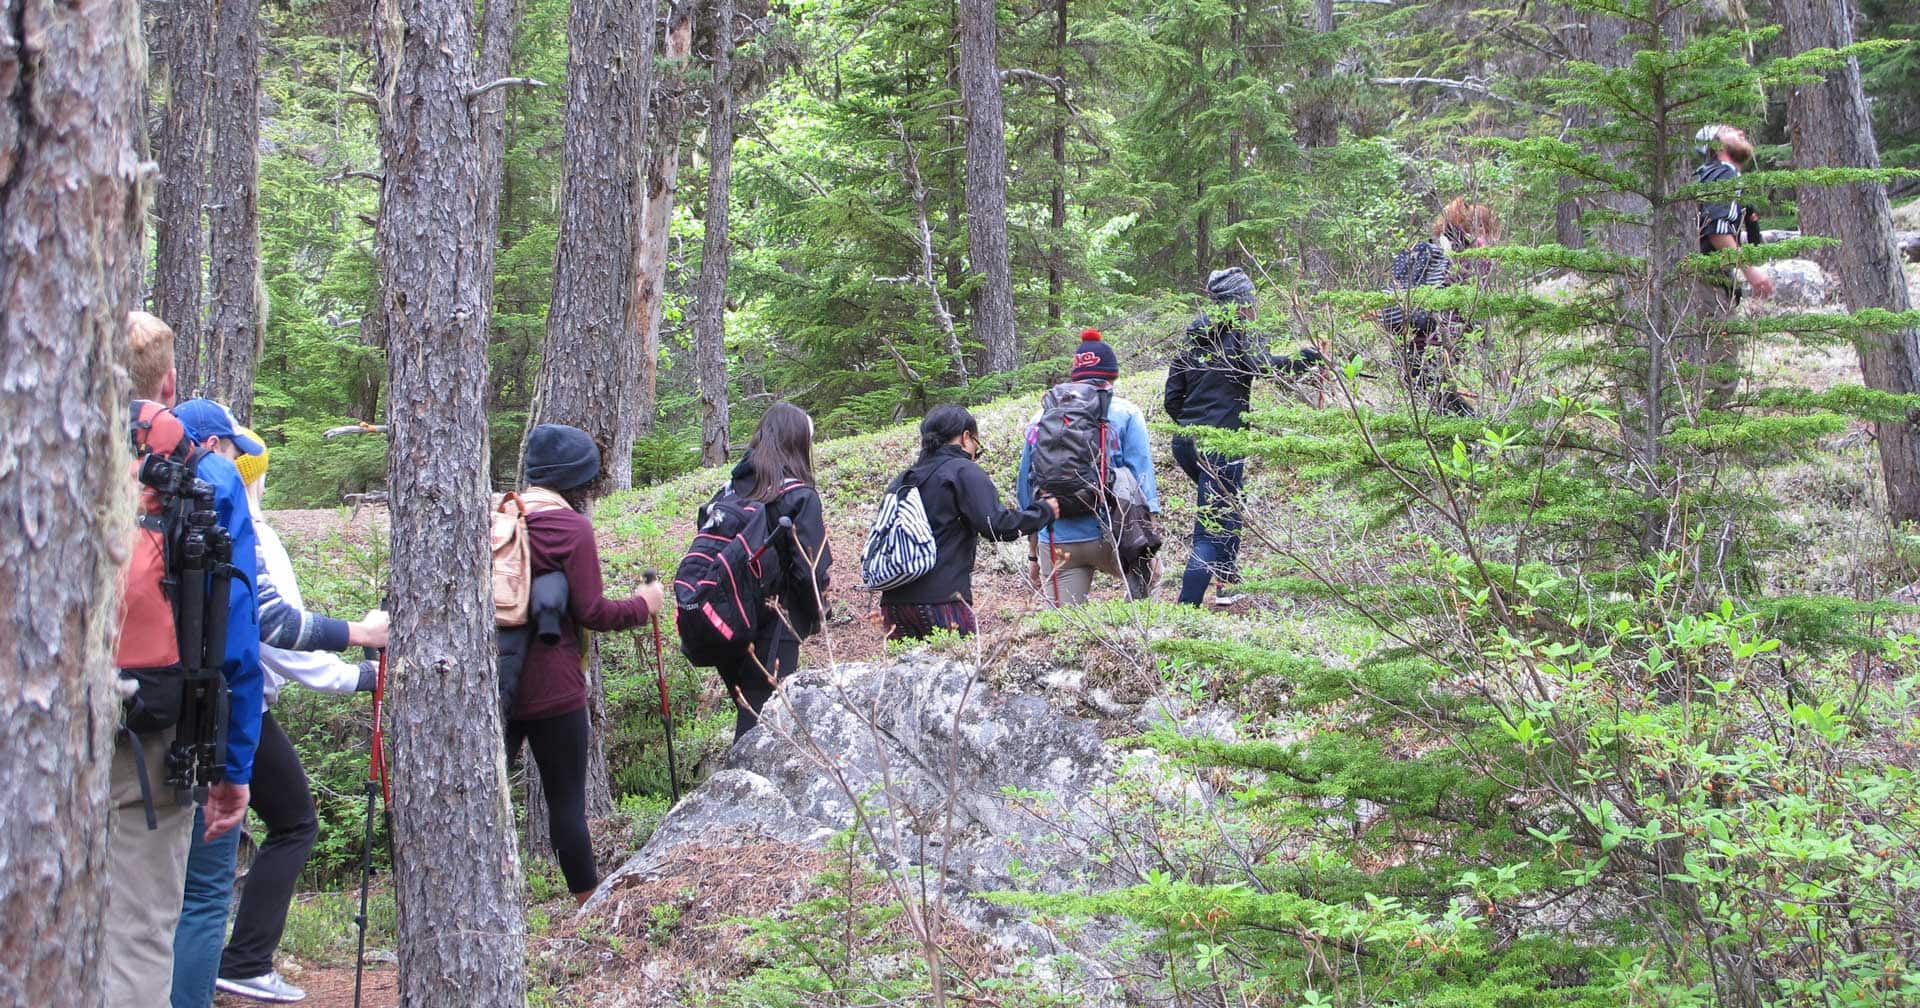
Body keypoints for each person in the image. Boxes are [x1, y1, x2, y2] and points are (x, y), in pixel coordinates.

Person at [168, 405, 391, 1008]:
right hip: (232, 711)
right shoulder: (252, 534)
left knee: (173, 869)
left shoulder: (160, 513)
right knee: (287, 826)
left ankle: (210, 967)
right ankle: (242, 962)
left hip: (161, 709)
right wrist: (361, 668)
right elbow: (275, 635)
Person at [107, 313, 263, 1008]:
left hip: (30, 732)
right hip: (151, 732)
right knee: (140, 934)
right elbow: (235, 636)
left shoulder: (33, 445)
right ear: (168, 382)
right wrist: (233, 766)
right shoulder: (205, 477)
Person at [512, 423, 665, 905]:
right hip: (553, 685)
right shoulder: (570, 527)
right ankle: (586, 903)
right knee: (565, 802)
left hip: (493, 682)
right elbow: (593, 612)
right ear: (579, 482)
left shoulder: (498, 518)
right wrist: (645, 604)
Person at [1165, 268, 1325, 607]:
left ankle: (1227, 583)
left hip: (1186, 443)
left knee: (1229, 504)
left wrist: (1193, 427)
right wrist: (1306, 358)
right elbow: (1264, 365)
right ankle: (1185, 609)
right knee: (1211, 524)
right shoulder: (1242, 331)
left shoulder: (1192, 336)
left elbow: (1171, 399)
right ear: (1241, 302)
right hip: (1221, 444)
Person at [878, 406, 1059, 641]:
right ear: (965, 437)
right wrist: (1044, 512)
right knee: (962, 672)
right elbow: (997, 525)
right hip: (943, 599)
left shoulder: (903, 479)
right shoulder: (963, 471)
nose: (975, 452)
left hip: (893, 604)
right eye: (976, 443)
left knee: (903, 675)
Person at [713, 402, 832, 739]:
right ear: (799, 442)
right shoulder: (798, 496)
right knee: (764, 720)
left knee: (749, 709)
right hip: (774, 624)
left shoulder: (732, 489)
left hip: (729, 619)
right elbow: (809, 569)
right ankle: (746, 788)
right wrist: (817, 611)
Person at [1016, 330, 1161, 606]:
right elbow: (1142, 483)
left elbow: (1027, 489)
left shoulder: (1040, 418)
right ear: (1112, 376)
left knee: (1064, 629)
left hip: (1058, 539)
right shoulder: (1127, 413)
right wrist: (1150, 547)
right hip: (1118, 536)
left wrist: (1034, 554)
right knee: (1143, 609)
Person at [1377, 199, 1502, 416]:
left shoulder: (1433, 247)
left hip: (1409, 330)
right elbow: (1470, 302)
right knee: (1436, 390)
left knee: (1425, 389)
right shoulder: (1470, 252)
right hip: (1439, 337)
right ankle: (1473, 435)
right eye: (1483, 227)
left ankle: (1463, 435)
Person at [1691, 123, 1774, 406]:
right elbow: (1717, 230)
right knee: (1720, 369)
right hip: (1708, 281)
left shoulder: (1715, 176)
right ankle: (1708, 440)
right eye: (1728, 130)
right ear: (1716, 146)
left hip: (1706, 280)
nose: (1740, 130)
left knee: (1708, 363)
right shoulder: (1722, 174)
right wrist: (1751, 272)